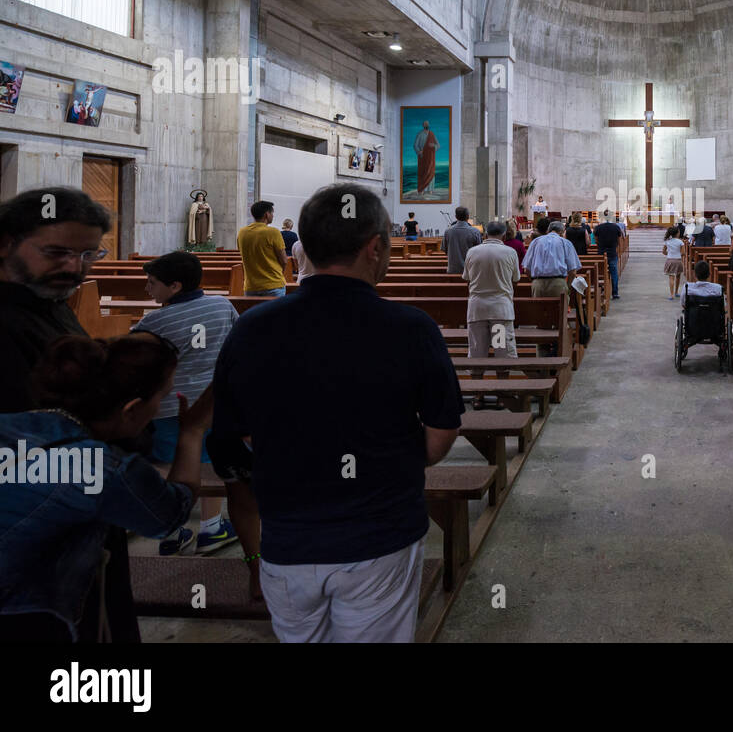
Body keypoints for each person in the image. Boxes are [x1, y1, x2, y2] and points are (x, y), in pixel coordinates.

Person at [208, 185, 462, 643]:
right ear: (375, 246)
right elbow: (440, 435)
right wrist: (395, 460)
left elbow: (230, 439)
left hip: (286, 535)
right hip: (379, 531)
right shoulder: (411, 328)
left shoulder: (251, 327)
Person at [0, 334, 206, 642]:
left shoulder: (10, 422)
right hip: (22, 614)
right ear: (131, 409)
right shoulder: (105, 469)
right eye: (160, 398)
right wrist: (192, 432)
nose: (160, 406)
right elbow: (170, 513)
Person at [134, 252, 240, 555]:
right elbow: (236, 344)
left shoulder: (152, 322)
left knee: (173, 467)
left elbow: (135, 364)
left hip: (170, 409)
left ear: (175, 286)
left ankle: (172, 531)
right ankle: (212, 529)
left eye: (152, 283)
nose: (147, 288)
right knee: (211, 463)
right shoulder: (222, 305)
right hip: (213, 403)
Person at [0, 187, 111, 414]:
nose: (75, 268)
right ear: (5, 244)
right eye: (56, 252)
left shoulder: (47, 300)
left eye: (88, 255)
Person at [463, 221, 520, 359]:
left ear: (485, 234)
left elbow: (467, 279)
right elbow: (515, 280)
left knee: (477, 353)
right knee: (502, 354)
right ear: (504, 235)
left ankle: (476, 378)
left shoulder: (472, 252)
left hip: (477, 310)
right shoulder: (510, 252)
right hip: (500, 311)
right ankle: (502, 379)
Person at [237, 201, 289, 297]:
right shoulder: (273, 232)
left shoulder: (242, 232)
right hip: (273, 285)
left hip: (251, 286)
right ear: (266, 214)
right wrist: (279, 274)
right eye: (272, 213)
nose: (273, 216)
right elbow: (284, 260)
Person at [523, 220, 579, 303]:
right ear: (562, 232)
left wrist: (535, 281)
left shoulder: (535, 242)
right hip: (558, 283)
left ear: (548, 231)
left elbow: (526, 269)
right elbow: (573, 271)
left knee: (538, 314)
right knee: (558, 313)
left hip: (538, 283)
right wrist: (568, 287)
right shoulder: (565, 243)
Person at [443, 206, 482, 274]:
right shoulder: (475, 231)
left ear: (456, 216)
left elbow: (445, 249)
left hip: (453, 269)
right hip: (470, 270)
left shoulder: (448, 231)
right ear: (468, 216)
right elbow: (479, 251)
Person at [593, 210, 622, 300]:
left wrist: (601, 247)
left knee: (600, 272)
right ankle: (615, 293)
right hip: (612, 253)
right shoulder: (616, 227)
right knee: (614, 273)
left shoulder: (598, 227)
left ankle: (601, 291)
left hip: (601, 253)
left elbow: (596, 240)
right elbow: (619, 240)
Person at [414, 120, 440, 195]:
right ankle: (422, 189)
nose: (426, 125)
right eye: (425, 124)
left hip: (430, 158)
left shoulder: (432, 134)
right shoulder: (420, 134)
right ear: (423, 125)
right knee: (423, 173)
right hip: (422, 158)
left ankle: (430, 189)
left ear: (429, 125)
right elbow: (415, 145)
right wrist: (419, 151)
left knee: (430, 172)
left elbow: (438, 145)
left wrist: (433, 146)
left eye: (427, 124)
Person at [663, 224, 685, 299]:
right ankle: (676, 292)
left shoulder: (667, 241)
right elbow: (683, 253)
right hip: (678, 260)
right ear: (677, 233)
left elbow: (663, 251)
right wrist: (678, 254)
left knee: (671, 277)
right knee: (678, 276)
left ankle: (671, 295)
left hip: (670, 260)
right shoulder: (680, 242)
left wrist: (669, 254)